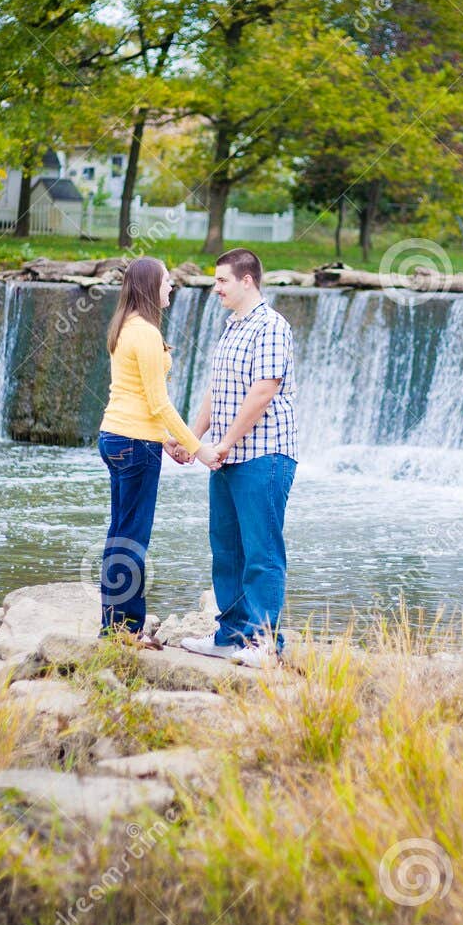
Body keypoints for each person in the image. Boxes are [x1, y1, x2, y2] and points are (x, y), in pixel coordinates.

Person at [176, 247, 298, 669]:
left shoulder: (271, 326)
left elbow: (264, 390)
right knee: (226, 550)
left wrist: (225, 442)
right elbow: (218, 389)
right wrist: (192, 437)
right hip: (226, 457)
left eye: (222, 280)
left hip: (264, 455)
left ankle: (266, 644)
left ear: (247, 280)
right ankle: (229, 637)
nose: (216, 288)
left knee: (261, 551)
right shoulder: (232, 327)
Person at [98, 257, 220, 645]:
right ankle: (127, 630)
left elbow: (138, 399)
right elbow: (158, 403)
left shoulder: (125, 326)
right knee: (132, 537)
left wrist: (163, 440)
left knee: (120, 533)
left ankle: (114, 626)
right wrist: (197, 448)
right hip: (134, 443)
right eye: (167, 281)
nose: (171, 287)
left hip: (117, 437)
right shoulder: (146, 334)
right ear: (152, 286)